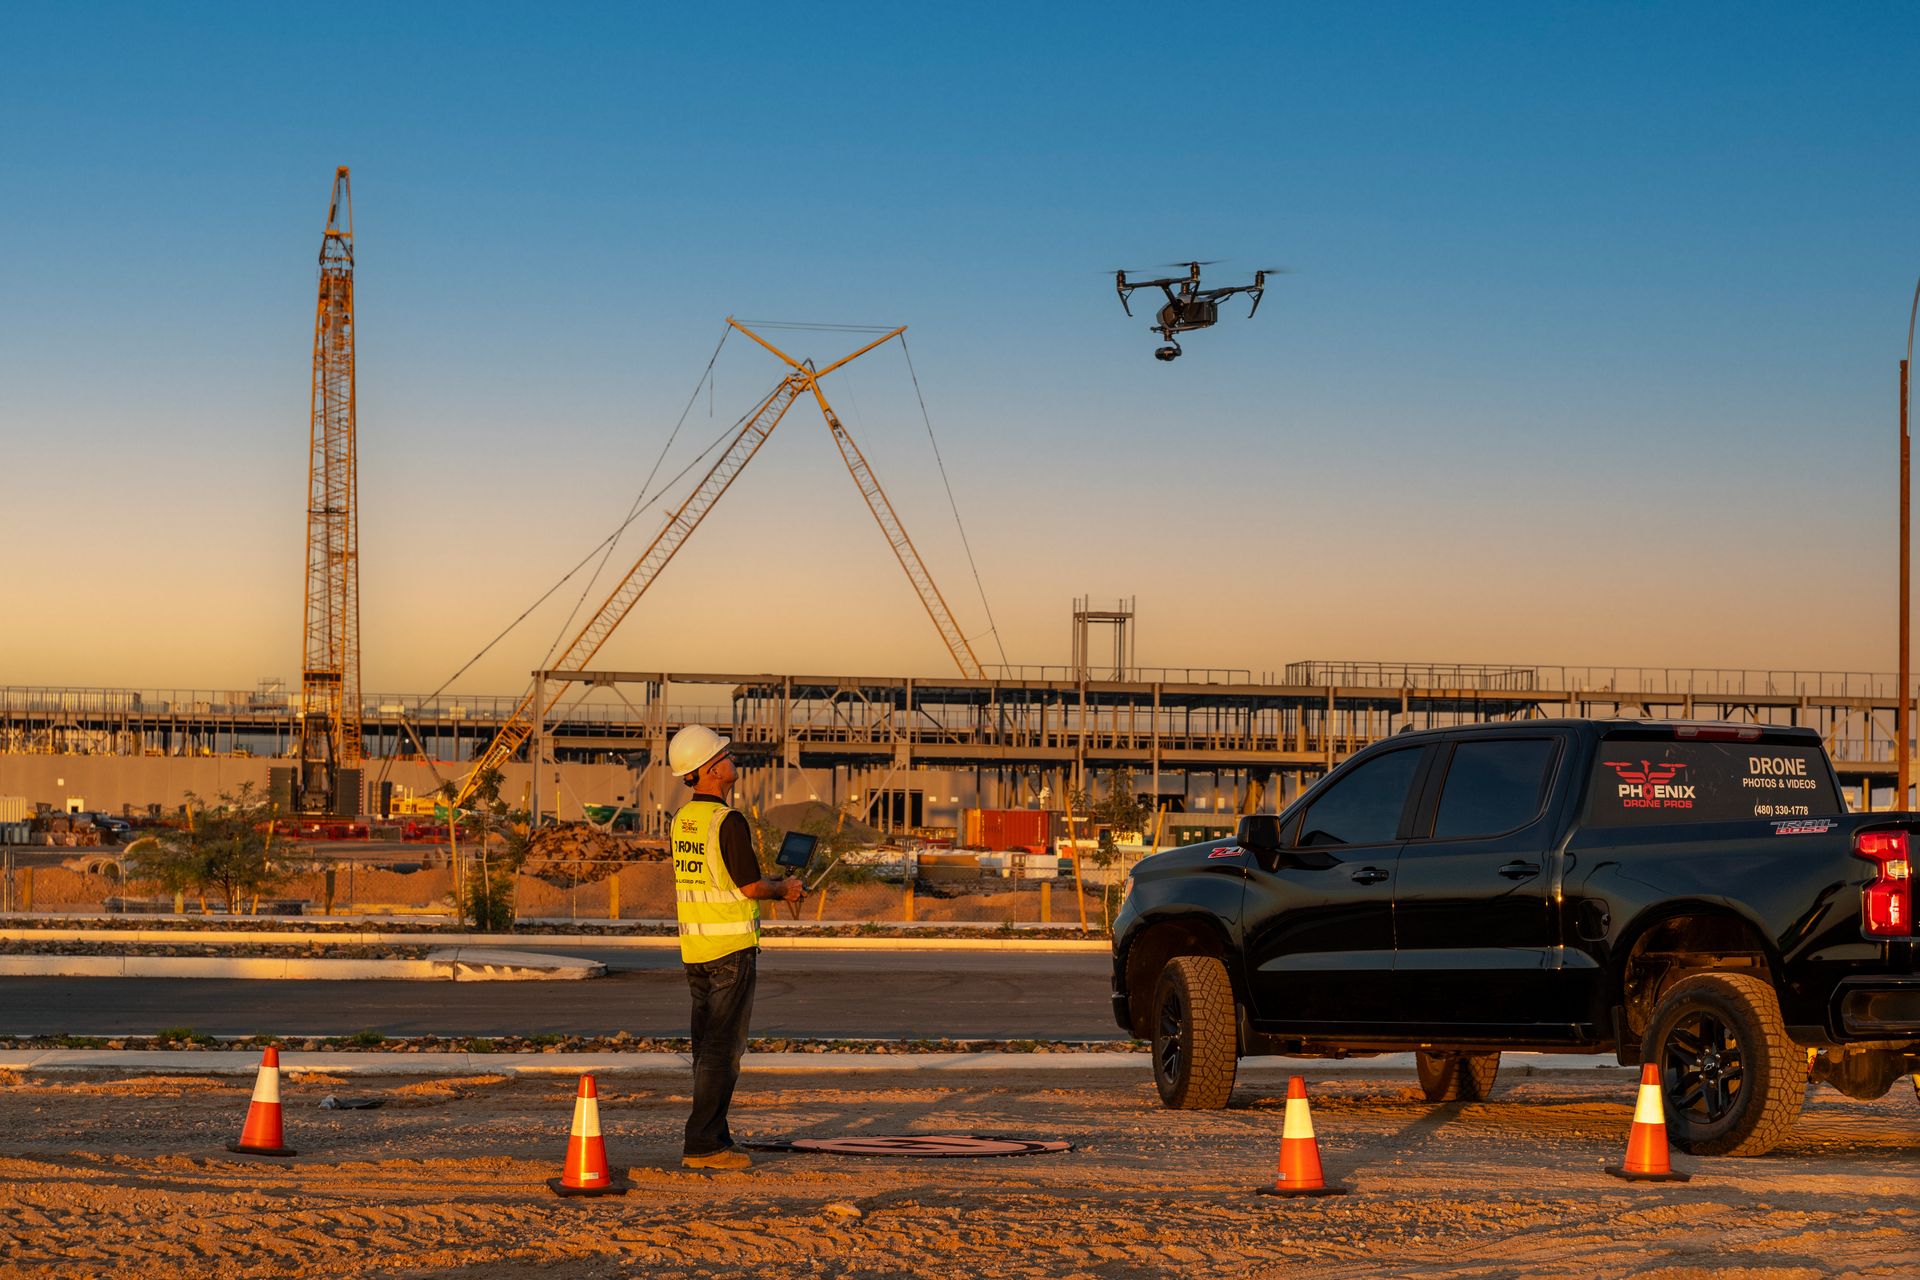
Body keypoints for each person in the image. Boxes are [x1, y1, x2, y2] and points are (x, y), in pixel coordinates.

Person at [665, 724, 803, 1170]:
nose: (733, 760)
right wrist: (785, 889)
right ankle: (703, 1144)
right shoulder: (728, 821)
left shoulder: (683, 821)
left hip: (697, 950)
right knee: (724, 1051)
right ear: (710, 770)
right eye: (726, 755)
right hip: (730, 950)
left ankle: (714, 1134)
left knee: (707, 1048)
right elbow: (749, 886)